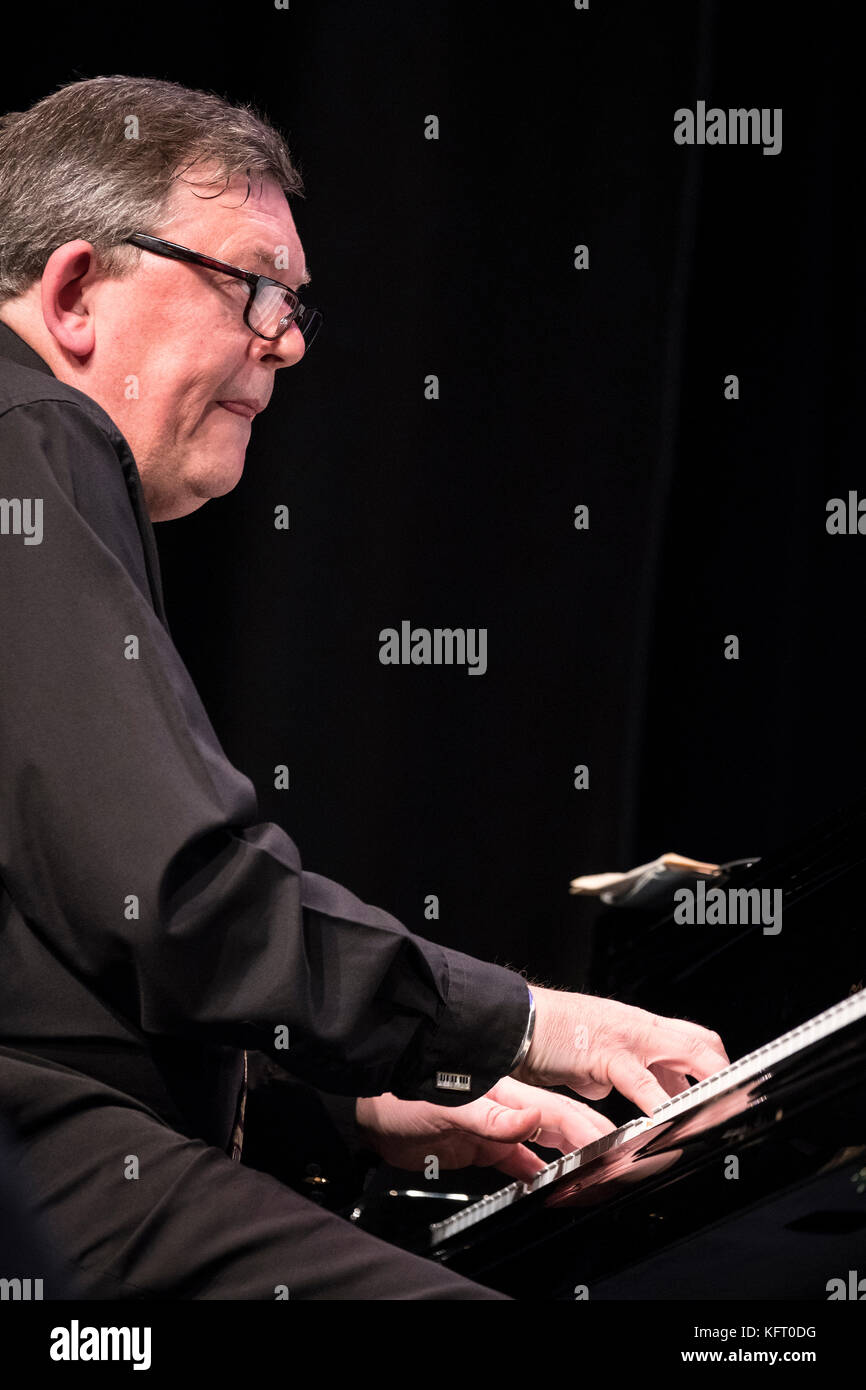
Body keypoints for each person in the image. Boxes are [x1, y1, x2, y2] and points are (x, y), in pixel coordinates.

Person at [0, 75, 729, 1300]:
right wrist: (537, 1023)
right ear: (74, 291)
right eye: (253, 286)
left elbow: (58, 944)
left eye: (294, 305)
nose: (282, 340)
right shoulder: (33, 439)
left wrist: (345, 1102)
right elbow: (178, 897)